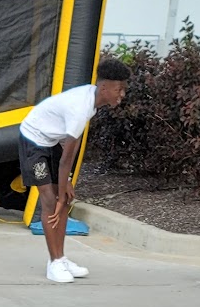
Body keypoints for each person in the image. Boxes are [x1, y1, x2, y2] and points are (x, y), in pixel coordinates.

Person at [18, 57, 130, 283]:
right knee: (50, 201)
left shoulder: (91, 101)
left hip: (51, 141)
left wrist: (65, 184)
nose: (122, 95)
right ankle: (54, 263)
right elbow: (67, 158)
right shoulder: (80, 108)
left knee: (65, 198)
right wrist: (62, 185)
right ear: (104, 87)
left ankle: (61, 258)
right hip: (33, 141)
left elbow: (68, 151)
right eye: (119, 89)